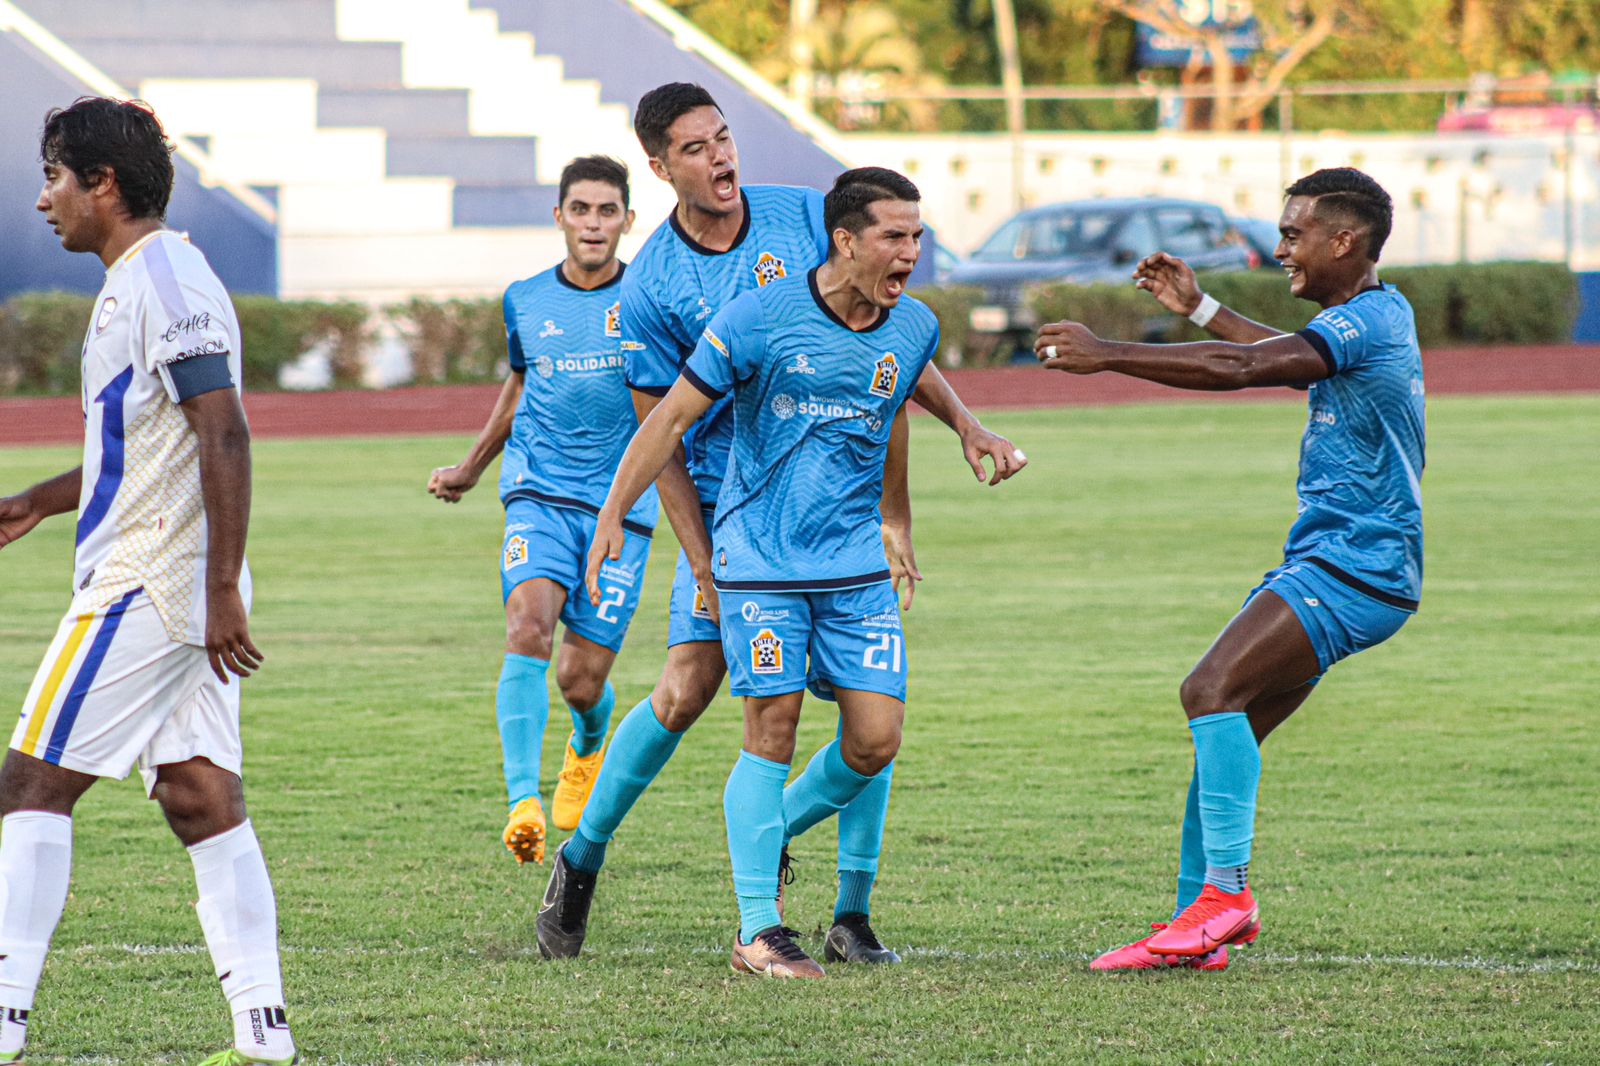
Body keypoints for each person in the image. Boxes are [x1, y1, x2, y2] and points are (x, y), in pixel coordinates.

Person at [536, 84, 1026, 962]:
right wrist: (702, 560)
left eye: (724, 138)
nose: (721, 158)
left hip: (830, 505)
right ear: (660, 167)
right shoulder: (652, 282)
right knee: (687, 691)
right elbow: (667, 430)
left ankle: (848, 910)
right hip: (736, 516)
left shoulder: (809, 217)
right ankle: (582, 857)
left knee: (866, 710)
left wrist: (896, 514)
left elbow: (887, 360)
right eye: (695, 148)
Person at [1035, 168, 1423, 971]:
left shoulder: (1373, 318)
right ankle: (1196, 927)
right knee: (1230, 724)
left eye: (1293, 233)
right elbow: (1278, 358)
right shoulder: (1363, 319)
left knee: (1207, 692)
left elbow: (1246, 371)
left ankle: (1227, 899)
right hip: (1347, 561)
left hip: (1356, 563)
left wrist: (1109, 354)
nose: (1280, 248)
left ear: (1344, 240)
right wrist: (1199, 310)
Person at [586, 166, 956, 977]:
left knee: (875, 740)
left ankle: (769, 829)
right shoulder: (757, 316)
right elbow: (671, 417)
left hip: (854, 567)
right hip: (758, 560)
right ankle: (760, 928)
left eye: (918, 236)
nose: (911, 253)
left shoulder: (913, 326)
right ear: (846, 240)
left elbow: (898, 402)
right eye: (895, 237)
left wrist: (949, 456)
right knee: (771, 730)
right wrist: (615, 510)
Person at [0, 98, 295, 1065]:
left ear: (104, 185)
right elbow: (145, 439)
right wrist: (42, 499)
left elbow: (225, 428)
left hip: (153, 579)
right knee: (198, 793)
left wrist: (215, 592)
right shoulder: (140, 279)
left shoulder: (166, 278)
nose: (44, 200)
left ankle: (2, 1017)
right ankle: (263, 1034)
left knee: (29, 782)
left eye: (55, 177)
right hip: (176, 575)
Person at [428, 157, 653, 866]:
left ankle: (589, 738)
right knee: (528, 622)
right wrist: (471, 467)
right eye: (580, 209)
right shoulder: (525, 300)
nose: (593, 223)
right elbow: (520, 387)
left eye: (606, 210)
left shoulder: (648, 302)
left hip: (622, 507)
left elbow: (673, 409)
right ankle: (522, 800)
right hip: (540, 494)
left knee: (578, 679)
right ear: (559, 217)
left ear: (627, 220)